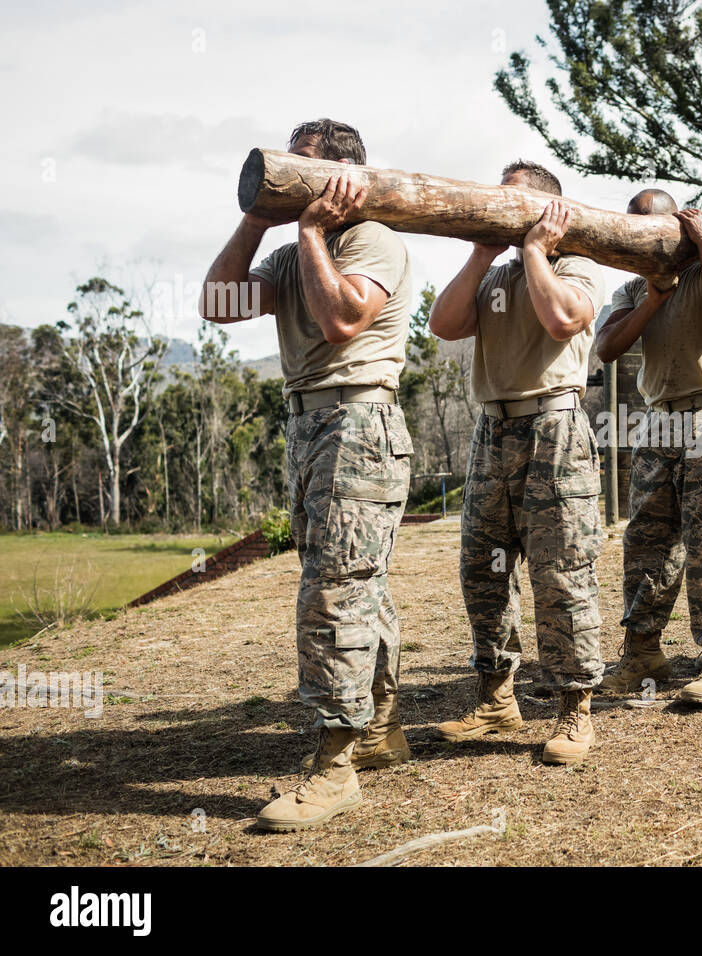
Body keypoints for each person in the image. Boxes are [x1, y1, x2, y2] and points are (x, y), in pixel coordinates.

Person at [200, 118, 414, 831]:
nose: (287, 176)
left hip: (358, 421)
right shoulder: (295, 248)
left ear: (338, 177)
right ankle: (379, 729)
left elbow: (341, 322)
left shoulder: (371, 239)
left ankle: (335, 769)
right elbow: (218, 305)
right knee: (355, 582)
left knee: (335, 593)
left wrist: (315, 235)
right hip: (310, 423)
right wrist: (259, 221)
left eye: (301, 167)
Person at [429, 160, 606, 765]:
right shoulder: (493, 272)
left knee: (561, 573)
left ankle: (575, 710)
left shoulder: (576, 265)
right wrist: (482, 255)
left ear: (546, 210)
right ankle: (497, 697)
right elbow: (443, 325)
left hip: (554, 426)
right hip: (493, 429)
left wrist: (535, 249)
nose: (494, 205)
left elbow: (562, 319)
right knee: (483, 569)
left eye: (510, 200)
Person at [595, 188, 702, 704]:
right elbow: (608, 347)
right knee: (647, 541)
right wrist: (653, 298)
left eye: (651, 227)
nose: (641, 238)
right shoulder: (630, 288)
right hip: (658, 423)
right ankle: (643, 652)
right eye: (632, 227)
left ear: (676, 228)